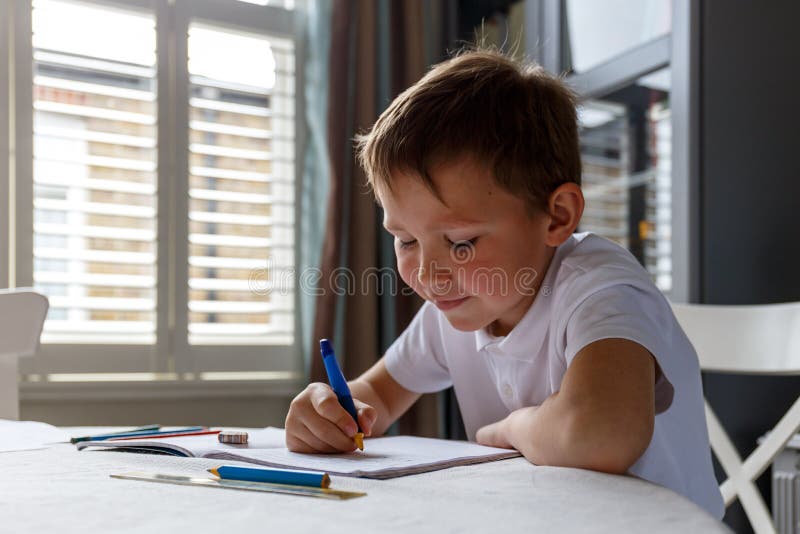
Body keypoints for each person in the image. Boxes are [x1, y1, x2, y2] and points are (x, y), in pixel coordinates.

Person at [285, 48, 724, 519]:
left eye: (461, 241)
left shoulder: (601, 287)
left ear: (556, 217)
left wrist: (512, 428)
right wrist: (325, 412)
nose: (429, 275)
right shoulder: (452, 310)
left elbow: (600, 434)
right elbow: (375, 399)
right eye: (407, 239)